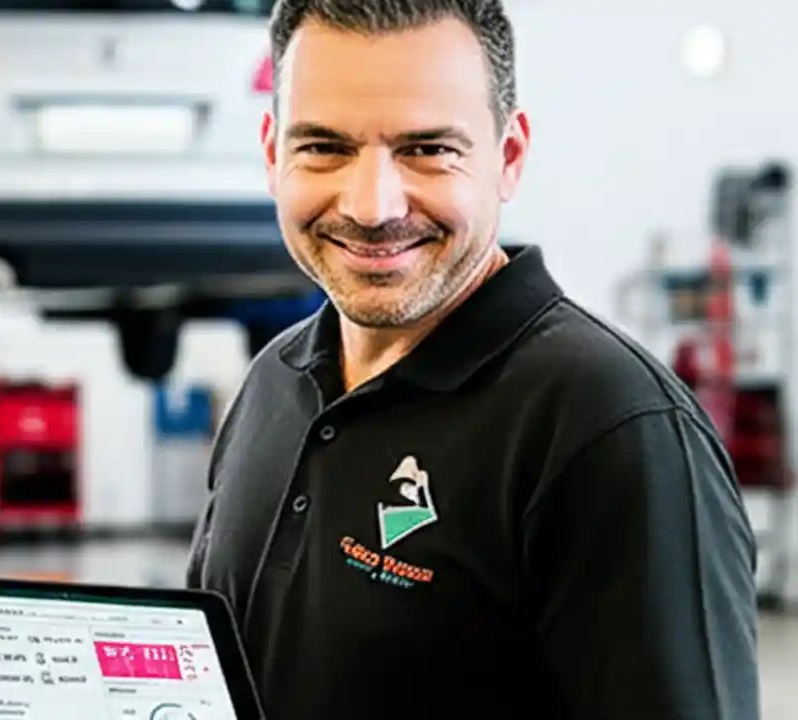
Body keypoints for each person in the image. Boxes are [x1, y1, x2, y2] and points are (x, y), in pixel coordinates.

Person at [185, 1, 760, 717]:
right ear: (273, 154)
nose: (372, 205)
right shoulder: (276, 381)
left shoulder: (612, 428)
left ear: (508, 157)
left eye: (427, 149)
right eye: (324, 148)